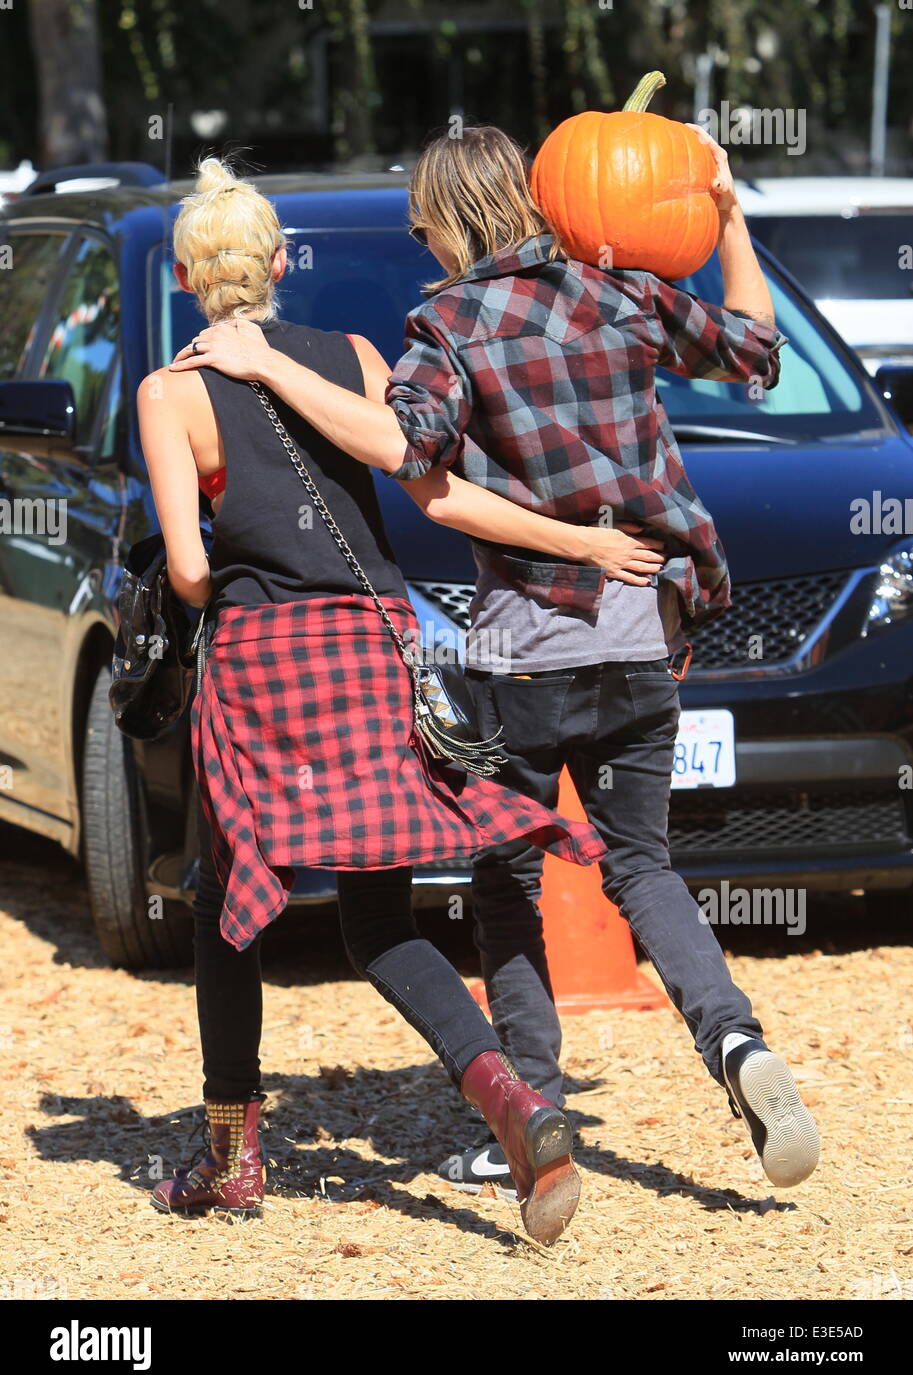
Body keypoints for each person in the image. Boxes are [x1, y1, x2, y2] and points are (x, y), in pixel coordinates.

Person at [173, 125, 820, 1203]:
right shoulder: (616, 290)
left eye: (421, 217)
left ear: (443, 218)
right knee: (643, 867)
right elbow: (757, 353)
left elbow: (398, 447)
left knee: (507, 876)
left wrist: (261, 359)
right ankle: (739, 1046)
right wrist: (731, 214)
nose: (416, 233)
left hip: (522, 643)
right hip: (641, 628)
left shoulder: (447, 324)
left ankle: (529, 1099)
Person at [137, 155, 653, 1245]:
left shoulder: (169, 393)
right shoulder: (359, 357)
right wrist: (578, 540)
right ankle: (510, 1098)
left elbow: (189, 571)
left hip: (261, 665)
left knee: (223, 901)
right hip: (373, 650)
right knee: (377, 918)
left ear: (189, 276)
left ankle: (231, 1157)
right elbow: (437, 489)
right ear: (282, 264)